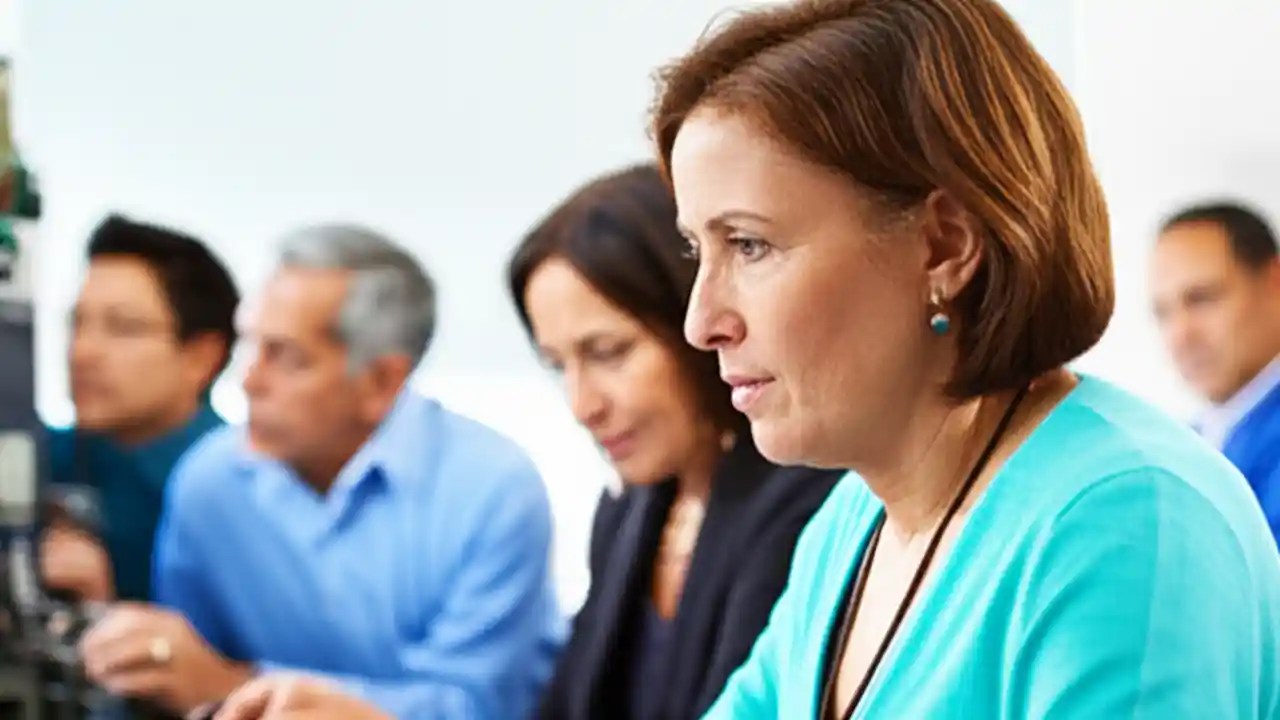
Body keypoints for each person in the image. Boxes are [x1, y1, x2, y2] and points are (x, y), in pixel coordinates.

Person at [652, 0, 1280, 718]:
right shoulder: (852, 520)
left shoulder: (1127, 523)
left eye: (750, 245)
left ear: (944, 245)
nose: (702, 323)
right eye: (699, 250)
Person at [210, 165, 843, 720]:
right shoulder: (631, 511)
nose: (581, 404)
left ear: (698, 324)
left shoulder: (810, 510)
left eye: (608, 353)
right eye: (557, 364)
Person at [78, 224, 563, 719]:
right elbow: (180, 676)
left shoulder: (492, 490)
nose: (249, 380)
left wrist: (235, 685)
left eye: (285, 356)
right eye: (251, 345)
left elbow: (477, 707)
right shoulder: (208, 483)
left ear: (381, 381)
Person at [42, 215, 238, 604]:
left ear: (202, 357)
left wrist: (104, 613)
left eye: (123, 327)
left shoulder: (244, 495)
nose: (83, 352)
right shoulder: (45, 457)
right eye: (77, 323)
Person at [1151, 201, 1280, 544]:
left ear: (1275, 282)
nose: (1181, 335)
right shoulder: (1183, 445)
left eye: (1202, 299)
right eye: (1163, 312)